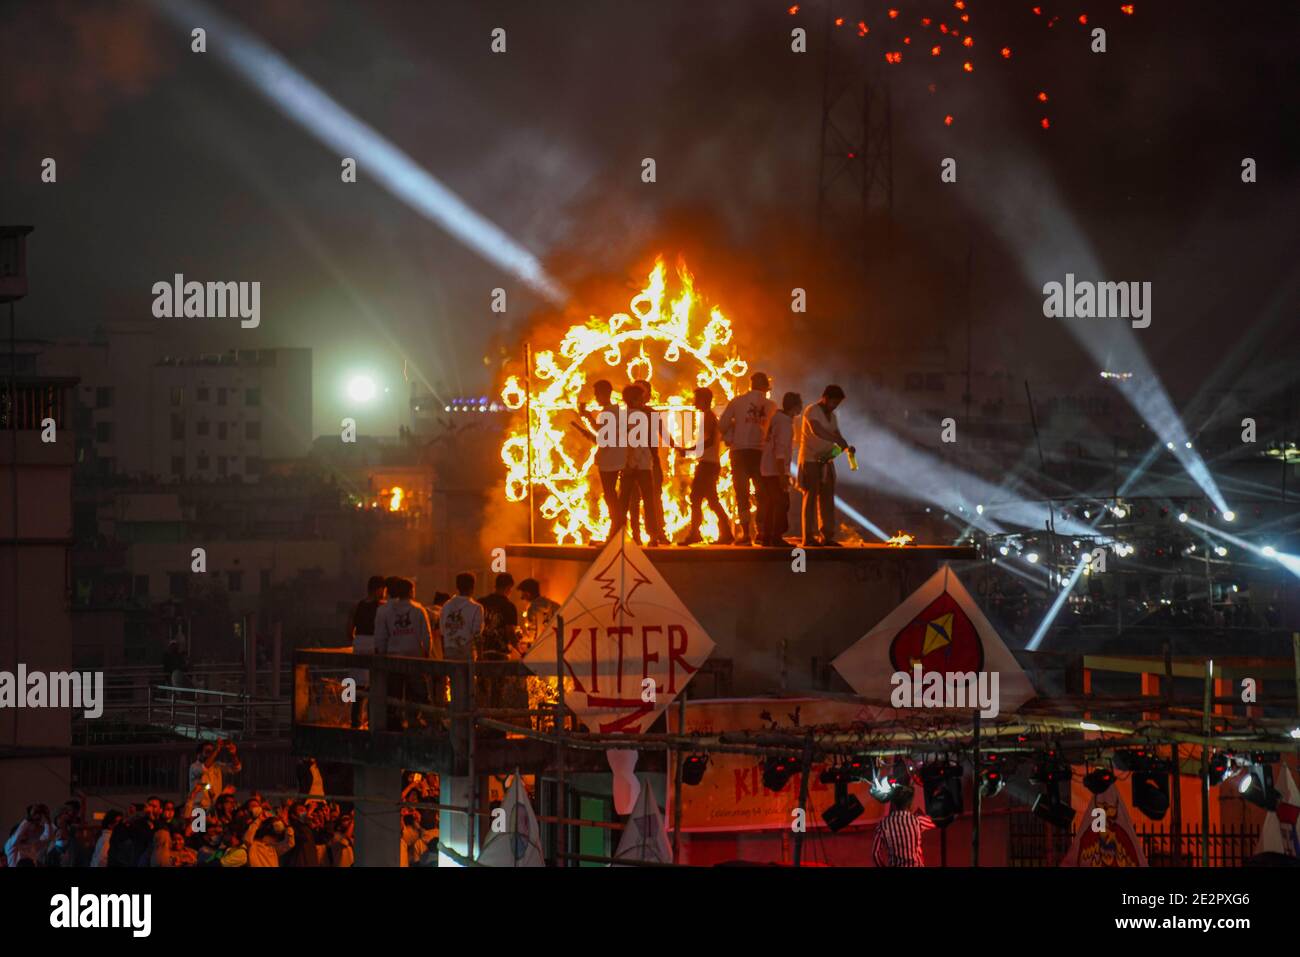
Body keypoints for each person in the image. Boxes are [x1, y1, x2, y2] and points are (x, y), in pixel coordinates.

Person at [720, 372, 776, 544]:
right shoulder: (771, 406)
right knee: (762, 493)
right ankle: (761, 531)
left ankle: (745, 534)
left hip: (739, 452)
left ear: (751, 384)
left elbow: (722, 424)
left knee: (742, 494)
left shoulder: (737, 401)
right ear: (766, 387)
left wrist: (730, 438)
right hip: (760, 453)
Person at [375, 576, 436, 728]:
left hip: (393, 658)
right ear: (411, 591)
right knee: (420, 696)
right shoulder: (419, 610)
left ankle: (394, 724)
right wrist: (426, 655)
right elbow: (427, 637)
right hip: (414, 658)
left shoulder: (385, 611)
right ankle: (419, 723)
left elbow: (381, 637)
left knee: (394, 696)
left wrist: (382, 654)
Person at [798, 384, 855, 547]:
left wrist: (845, 447)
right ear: (825, 398)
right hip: (810, 460)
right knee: (810, 498)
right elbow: (817, 430)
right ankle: (808, 536)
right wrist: (836, 440)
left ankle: (827, 535)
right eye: (833, 402)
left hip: (827, 460)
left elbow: (837, 435)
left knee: (827, 498)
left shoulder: (833, 416)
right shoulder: (812, 411)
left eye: (837, 404)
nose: (835, 406)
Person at [676, 386, 734, 545]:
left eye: (696, 399)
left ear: (703, 400)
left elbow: (707, 442)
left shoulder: (708, 417)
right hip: (708, 463)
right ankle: (723, 533)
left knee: (698, 499)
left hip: (707, 465)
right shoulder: (707, 417)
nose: (693, 402)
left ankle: (698, 533)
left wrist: (688, 451)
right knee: (707, 500)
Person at [612, 384, 668, 546]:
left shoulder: (624, 417)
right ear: (635, 399)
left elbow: (627, 442)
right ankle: (653, 536)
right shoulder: (642, 415)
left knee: (626, 501)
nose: (644, 400)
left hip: (632, 465)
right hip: (643, 464)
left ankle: (622, 534)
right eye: (641, 397)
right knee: (648, 500)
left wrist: (627, 463)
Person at [583, 379, 626, 536]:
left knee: (610, 495)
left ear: (603, 394)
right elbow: (602, 430)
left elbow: (603, 438)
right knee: (613, 494)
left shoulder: (607, 413)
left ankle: (617, 525)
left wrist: (598, 453)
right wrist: (588, 417)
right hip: (618, 458)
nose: (595, 397)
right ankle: (618, 524)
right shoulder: (616, 411)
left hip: (608, 460)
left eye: (596, 394)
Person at [758, 391, 802, 545]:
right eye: (799, 405)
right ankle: (776, 537)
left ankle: (767, 537)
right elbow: (780, 451)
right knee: (782, 503)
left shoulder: (776, 418)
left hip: (767, 468)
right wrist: (782, 475)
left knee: (772, 503)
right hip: (775, 470)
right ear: (795, 407)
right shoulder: (784, 424)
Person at [347, 575, 388, 727]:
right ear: (379, 590)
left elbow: (348, 630)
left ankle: (354, 721)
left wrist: (356, 642)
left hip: (358, 645)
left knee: (355, 685)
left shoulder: (356, 606)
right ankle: (372, 722)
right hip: (374, 645)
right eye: (384, 589)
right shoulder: (382, 608)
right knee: (374, 686)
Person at [871, 785, 935, 867]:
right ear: (910, 804)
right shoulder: (917, 821)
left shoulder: (883, 825)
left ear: (893, 804)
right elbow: (936, 821)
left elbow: (875, 854)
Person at [188, 740, 242, 812]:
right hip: (199, 808)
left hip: (214, 808)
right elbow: (204, 768)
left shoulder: (217, 765)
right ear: (199, 754)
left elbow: (236, 768)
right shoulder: (194, 766)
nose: (211, 754)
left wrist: (233, 754)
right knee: (199, 823)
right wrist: (217, 749)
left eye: (212, 751)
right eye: (207, 751)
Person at [516, 578, 559, 650]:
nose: (522, 597)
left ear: (528, 593)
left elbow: (532, 637)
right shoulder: (554, 605)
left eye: (522, 594)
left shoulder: (532, 609)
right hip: (554, 647)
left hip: (539, 649)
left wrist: (520, 638)